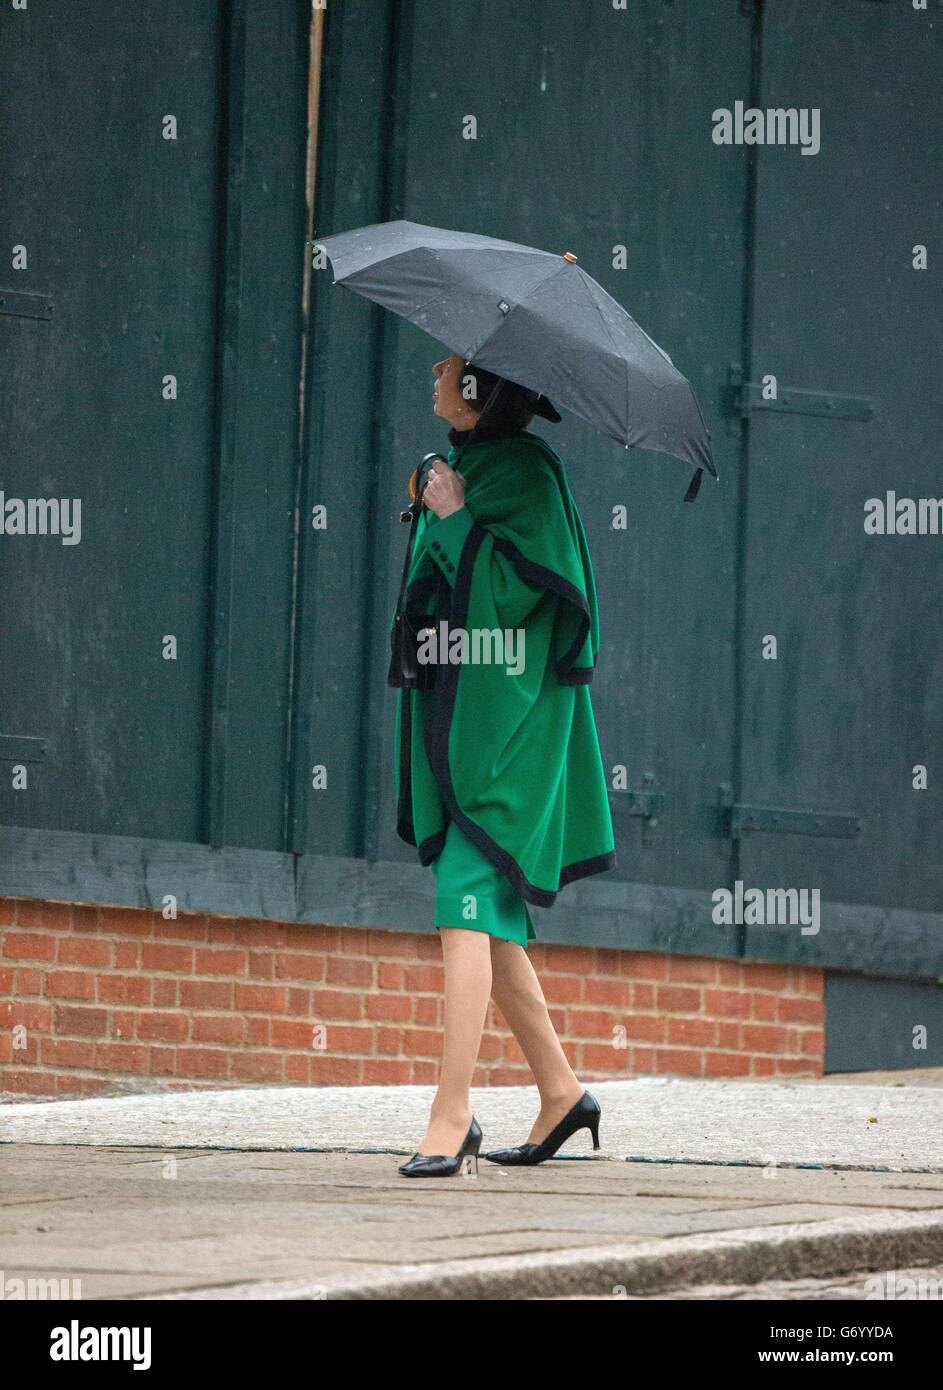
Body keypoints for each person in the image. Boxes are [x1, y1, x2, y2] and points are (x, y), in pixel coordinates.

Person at [394, 351, 616, 1177]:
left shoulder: (524, 469)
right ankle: (562, 1092)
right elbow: (438, 593)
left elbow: (527, 593)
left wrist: (452, 519)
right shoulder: (465, 463)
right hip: (465, 711)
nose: (434, 377)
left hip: (512, 721)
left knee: (463, 901)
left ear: (481, 391)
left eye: (447, 369)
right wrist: (436, 504)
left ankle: (452, 1114)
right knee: (490, 913)